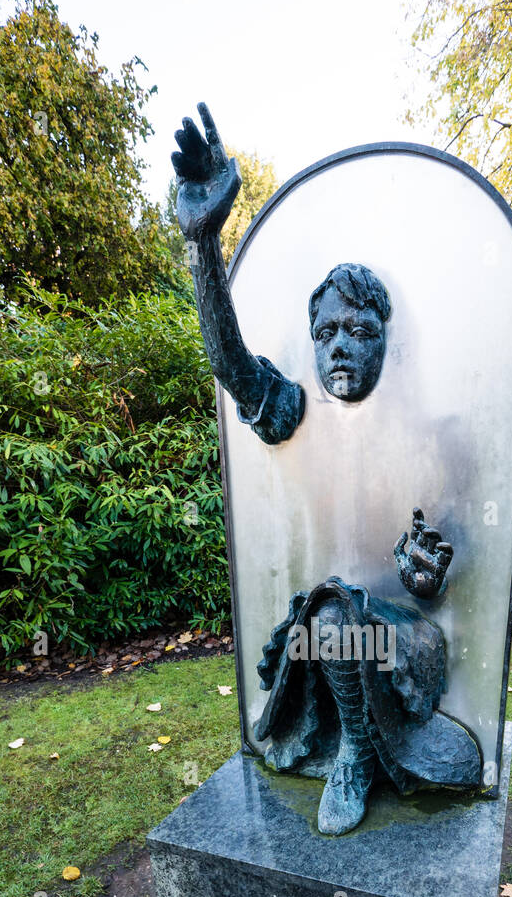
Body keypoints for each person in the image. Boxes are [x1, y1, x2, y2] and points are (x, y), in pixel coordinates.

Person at [172, 105, 479, 834]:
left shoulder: (440, 435)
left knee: (346, 615)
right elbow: (229, 364)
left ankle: (368, 751)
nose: (339, 346)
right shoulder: (293, 407)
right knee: (333, 612)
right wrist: (201, 246)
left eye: (359, 331)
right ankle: (358, 754)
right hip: (329, 626)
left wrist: (426, 575)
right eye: (325, 333)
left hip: (408, 638)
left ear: (386, 341)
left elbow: (454, 558)